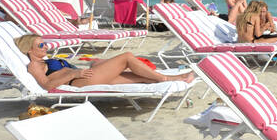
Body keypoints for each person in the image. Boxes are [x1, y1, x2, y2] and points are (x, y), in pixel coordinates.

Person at [17, 35, 195, 88]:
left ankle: (177, 79)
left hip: (83, 76)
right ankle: (166, 79)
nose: (46, 46)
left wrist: (88, 66)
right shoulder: (34, 65)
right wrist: (74, 72)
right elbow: (46, 85)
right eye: (41, 44)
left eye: (45, 43)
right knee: (126, 57)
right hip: (78, 80)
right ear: (29, 50)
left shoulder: (45, 59)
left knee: (139, 77)